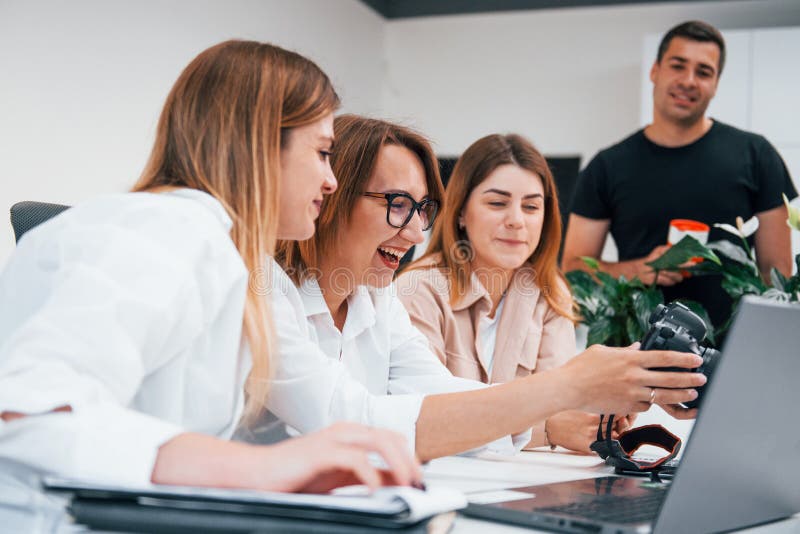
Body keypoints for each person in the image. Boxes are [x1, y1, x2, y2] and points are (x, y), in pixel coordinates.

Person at [0, 40, 422, 493]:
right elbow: (25, 413)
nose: (331, 179)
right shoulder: (166, 228)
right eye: (321, 152)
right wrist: (258, 469)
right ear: (259, 143)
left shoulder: (236, 260)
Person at [256, 114, 706, 463]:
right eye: (397, 204)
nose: (415, 234)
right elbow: (354, 421)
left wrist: (613, 378)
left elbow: (443, 396)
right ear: (329, 193)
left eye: (421, 209)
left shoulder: (376, 299)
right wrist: (569, 388)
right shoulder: (265, 291)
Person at [396, 133, 630, 454]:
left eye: (531, 206)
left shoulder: (548, 292)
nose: (517, 221)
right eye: (497, 203)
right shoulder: (418, 290)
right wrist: (547, 430)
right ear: (461, 212)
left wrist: (597, 415)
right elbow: (426, 415)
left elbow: (559, 408)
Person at [563, 20, 797, 330]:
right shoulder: (607, 166)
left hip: (728, 350)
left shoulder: (756, 155)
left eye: (703, 72)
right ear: (655, 71)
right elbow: (572, 269)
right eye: (678, 66)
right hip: (636, 349)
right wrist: (640, 268)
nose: (689, 81)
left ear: (715, 84)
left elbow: (776, 278)